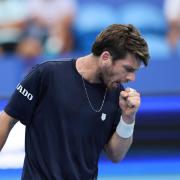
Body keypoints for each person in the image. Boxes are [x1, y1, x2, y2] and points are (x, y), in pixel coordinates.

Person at [0, 24, 150, 179]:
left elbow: (116, 155)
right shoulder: (47, 74)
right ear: (106, 57)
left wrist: (128, 118)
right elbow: (7, 119)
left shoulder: (118, 94)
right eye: (128, 69)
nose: (132, 78)